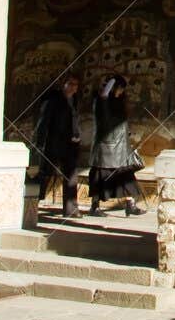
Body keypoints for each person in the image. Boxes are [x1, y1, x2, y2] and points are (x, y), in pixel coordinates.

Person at [91, 75, 144, 216]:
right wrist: (113, 81)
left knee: (126, 175)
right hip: (106, 147)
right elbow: (103, 96)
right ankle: (94, 207)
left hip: (121, 147)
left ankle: (130, 204)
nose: (121, 91)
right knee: (101, 176)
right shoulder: (102, 101)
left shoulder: (118, 102)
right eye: (119, 88)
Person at [35, 74, 83, 218]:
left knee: (71, 175)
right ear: (64, 84)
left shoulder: (74, 100)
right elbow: (44, 120)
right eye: (71, 83)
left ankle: (71, 208)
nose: (74, 87)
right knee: (46, 173)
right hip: (54, 142)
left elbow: (73, 119)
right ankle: (32, 201)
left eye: (76, 84)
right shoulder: (53, 99)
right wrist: (40, 142)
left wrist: (76, 135)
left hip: (70, 143)